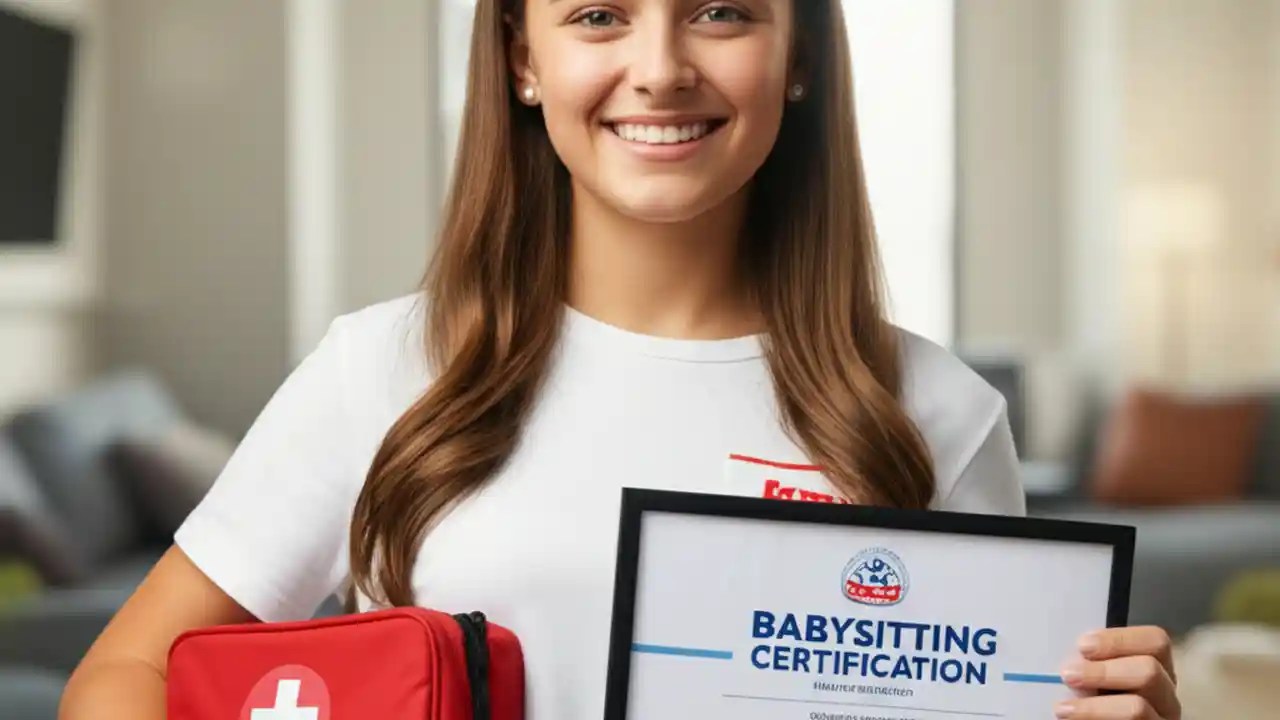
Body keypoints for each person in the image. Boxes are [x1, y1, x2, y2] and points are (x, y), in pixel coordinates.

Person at [61, 2, 1181, 719]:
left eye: (720, 14)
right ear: (522, 59)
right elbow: (118, 679)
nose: (658, 69)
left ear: (797, 58)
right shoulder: (385, 367)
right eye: (598, 15)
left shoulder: (935, 410)